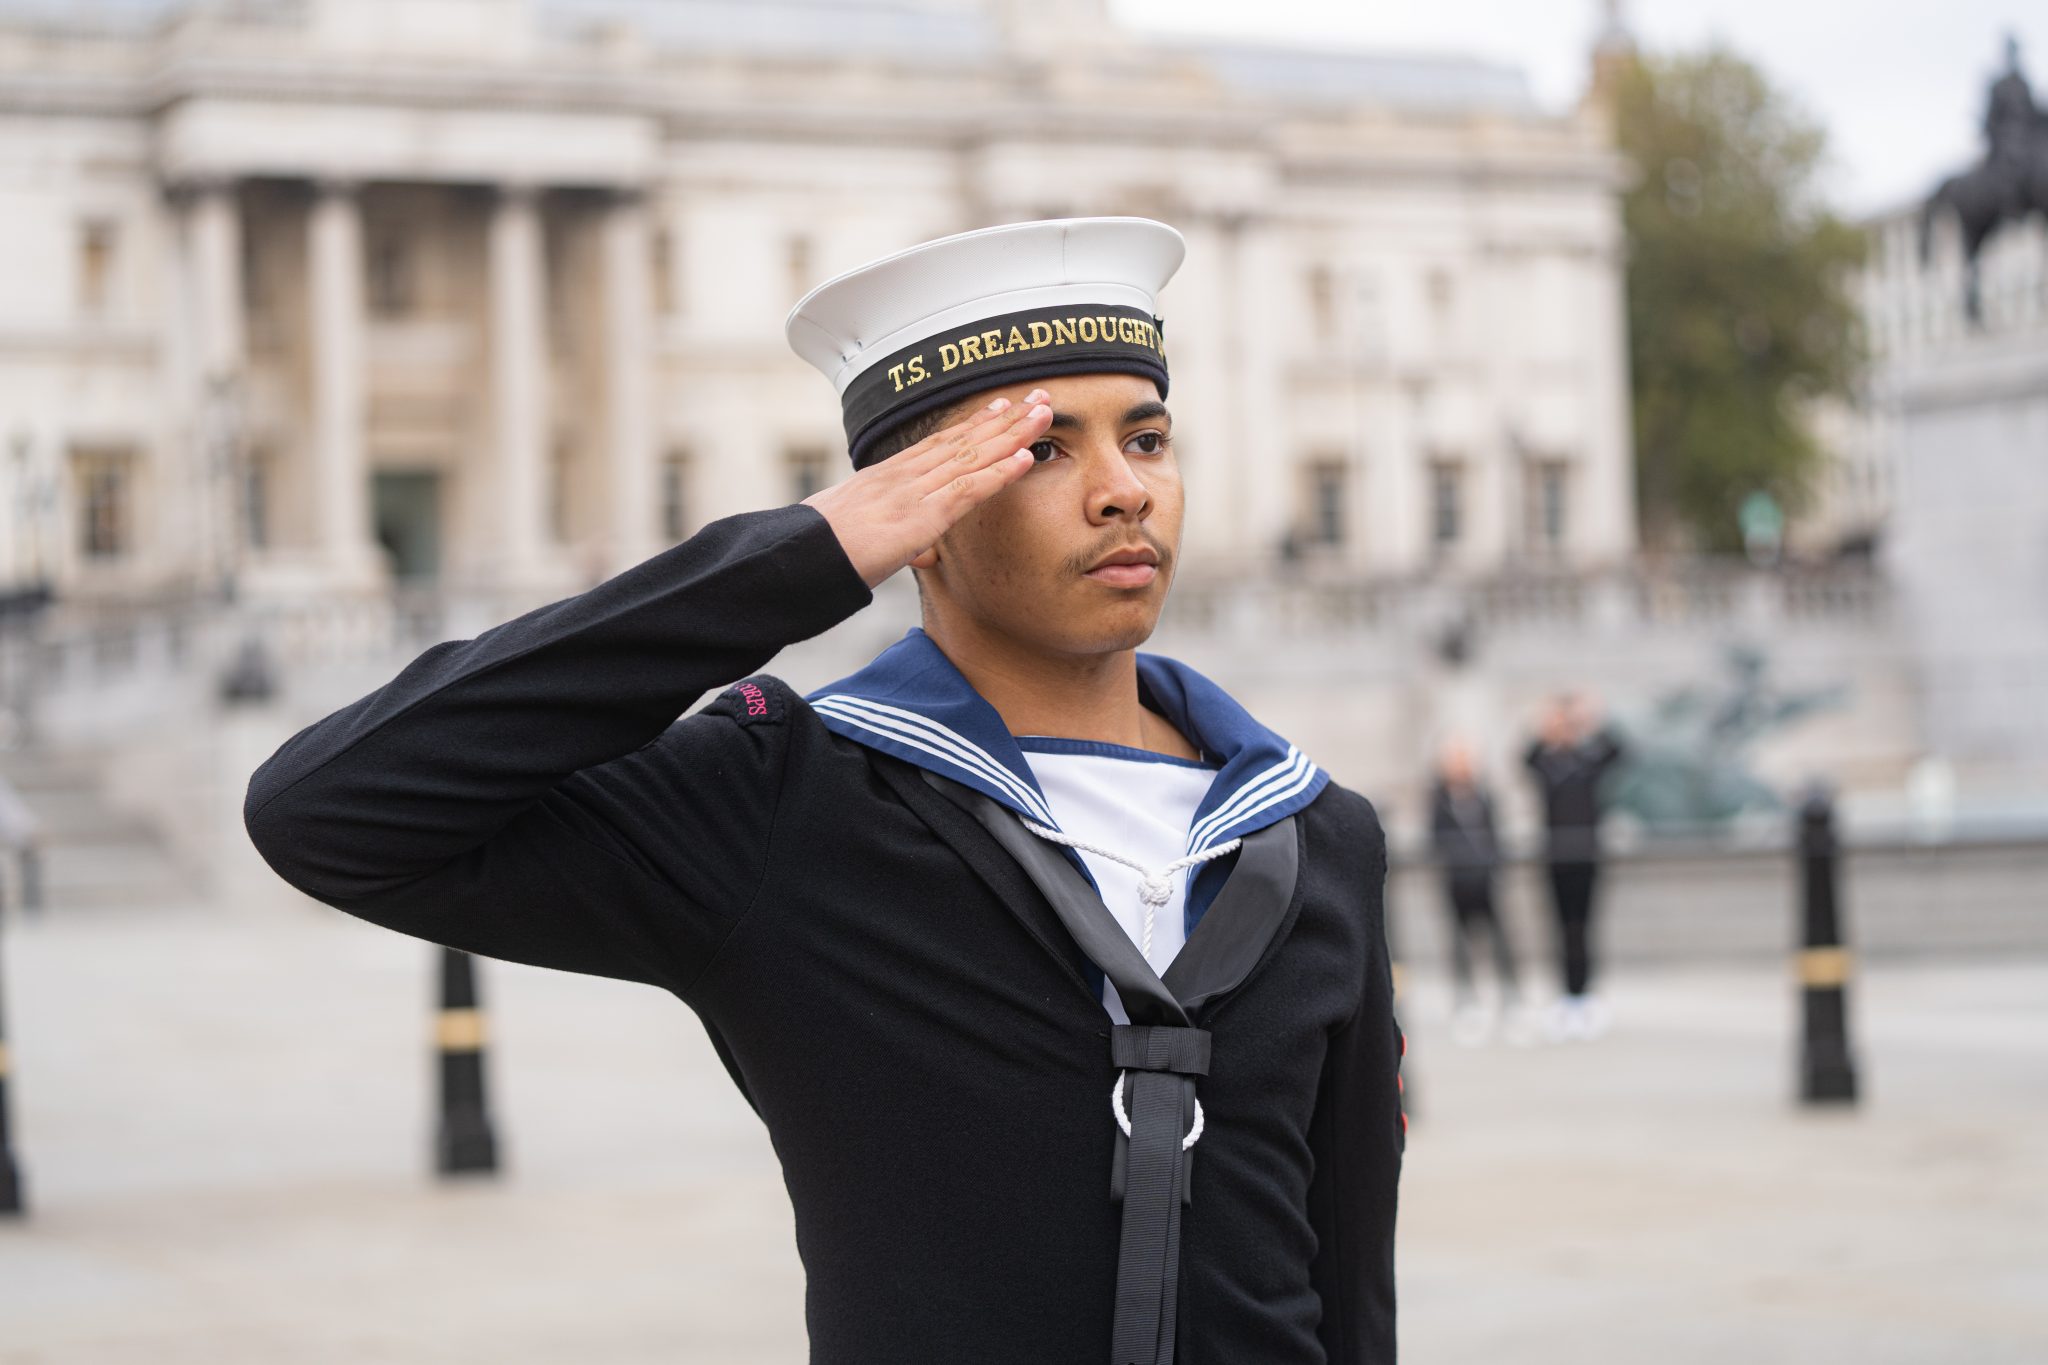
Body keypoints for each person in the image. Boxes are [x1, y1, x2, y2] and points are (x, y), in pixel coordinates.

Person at [244, 217, 1403, 1365]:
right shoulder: (788, 805)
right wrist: (797, 558)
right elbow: (329, 809)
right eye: (1042, 451)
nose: (1121, 492)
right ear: (920, 515)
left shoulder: (1314, 835)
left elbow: (1347, 1277)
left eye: (1145, 440)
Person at [1522, 693, 1627, 1041]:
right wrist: (1545, 726)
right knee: (1560, 927)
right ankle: (1565, 996)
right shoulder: (1548, 765)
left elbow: (1619, 752)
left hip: (1587, 855)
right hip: (1555, 857)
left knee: (1585, 926)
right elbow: (1525, 757)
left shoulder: (1588, 762)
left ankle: (1585, 995)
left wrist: (1591, 721)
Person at [1426, 737, 1526, 1047]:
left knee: (1501, 943)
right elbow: (1435, 841)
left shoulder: (1484, 797)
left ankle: (1512, 1003)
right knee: (1460, 946)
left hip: (1486, 881)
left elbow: (1495, 835)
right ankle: (1466, 1004)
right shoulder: (1439, 800)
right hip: (1457, 882)